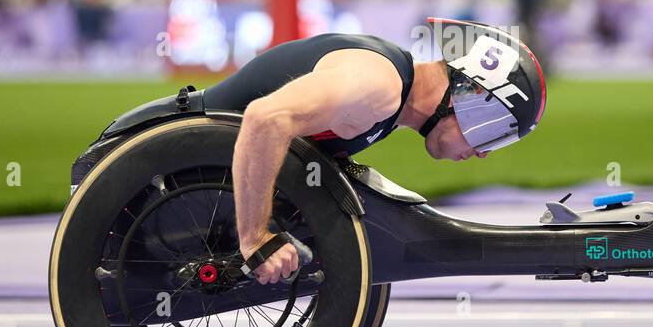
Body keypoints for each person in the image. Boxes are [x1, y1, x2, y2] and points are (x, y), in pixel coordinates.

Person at [200, 20, 546, 284]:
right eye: (492, 133)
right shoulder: (379, 85)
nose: (484, 153)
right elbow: (266, 118)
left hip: (206, 176)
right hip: (179, 154)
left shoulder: (393, 104)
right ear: (470, 101)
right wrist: (255, 238)